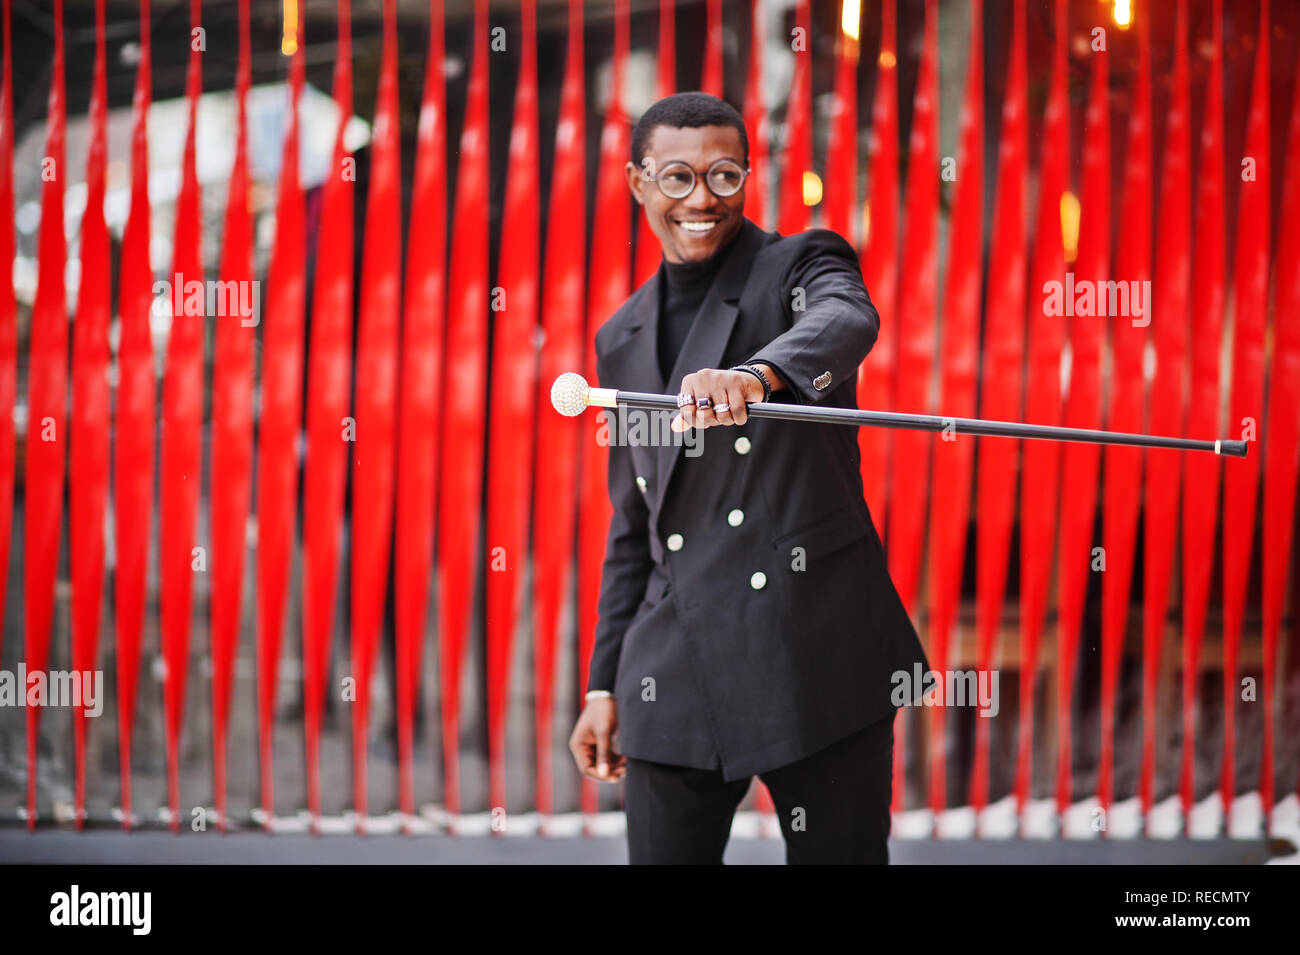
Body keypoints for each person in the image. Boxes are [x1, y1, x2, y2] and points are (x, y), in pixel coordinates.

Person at [568, 92, 929, 864]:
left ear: (747, 176)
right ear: (638, 183)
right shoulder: (620, 337)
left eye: (724, 176)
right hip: (675, 668)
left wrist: (758, 375)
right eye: (677, 178)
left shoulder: (799, 264)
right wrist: (603, 685)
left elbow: (845, 319)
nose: (702, 199)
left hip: (814, 648)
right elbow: (633, 523)